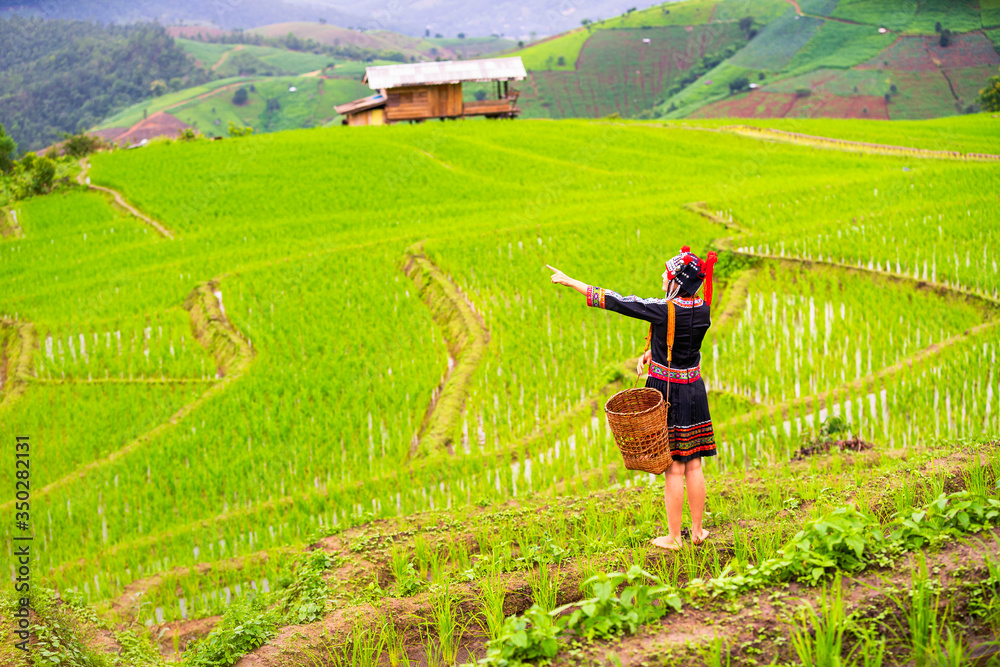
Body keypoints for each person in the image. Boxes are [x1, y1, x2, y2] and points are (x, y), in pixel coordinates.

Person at [547, 246, 718, 551]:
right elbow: (685, 341)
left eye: (667, 275)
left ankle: (675, 537)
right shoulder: (703, 306)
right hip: (694, 389)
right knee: (694, 465)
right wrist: (653, 352)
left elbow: (621, 302)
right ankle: (697, 531)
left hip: (669, 393)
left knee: (674, 468)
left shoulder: (665, 309)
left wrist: (573, 282)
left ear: (677, 281)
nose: (662, 278)